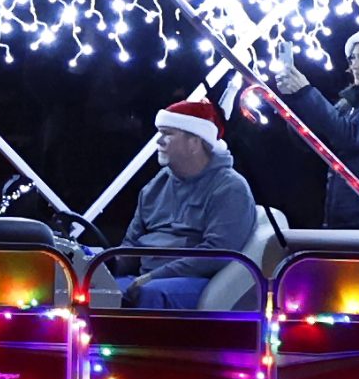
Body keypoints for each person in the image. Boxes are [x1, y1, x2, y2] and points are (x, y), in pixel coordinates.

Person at [106, 99, 257, 309]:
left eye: (168, 133)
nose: (158, 141)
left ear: (194, 142)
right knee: (91, 290)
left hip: (199, 280)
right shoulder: (157, 184)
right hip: (147, 278)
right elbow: (131, 244)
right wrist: (103, 267)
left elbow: (216, 254)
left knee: (148, 293)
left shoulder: (230, 188)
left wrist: (152, 277)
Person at [272, 22, 359, 228]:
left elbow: (348, 135)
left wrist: (306, 93)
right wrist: (295, 100)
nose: (354, 65)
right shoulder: (351, 102)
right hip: (340, 216)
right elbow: (312, 141)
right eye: (353, 58)